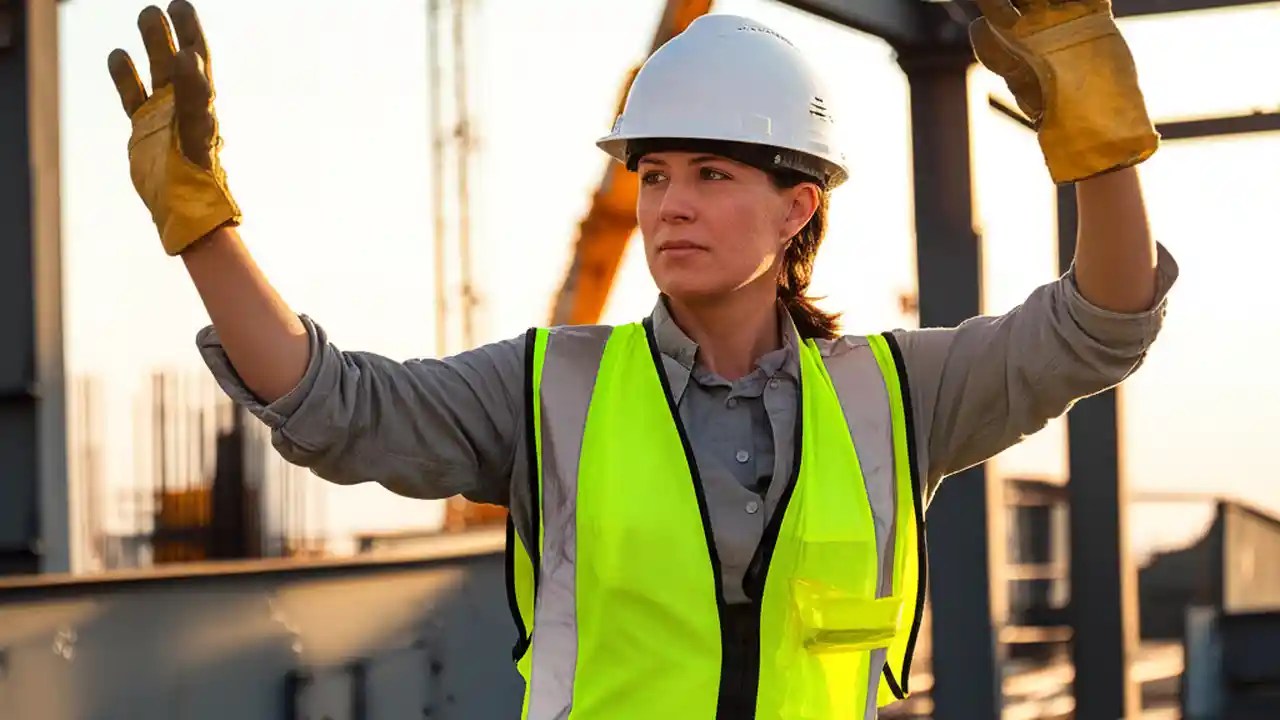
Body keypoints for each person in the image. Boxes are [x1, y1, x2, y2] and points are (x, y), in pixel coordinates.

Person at [107, 1, 1178, 717]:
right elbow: (332, 405)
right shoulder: (544, 388)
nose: (668, 205)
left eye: (710, 174)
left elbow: (1097, 325)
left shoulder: (898, 395)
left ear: (796, 206)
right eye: (654, 174)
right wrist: (203, 225)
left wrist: (1097, 143)